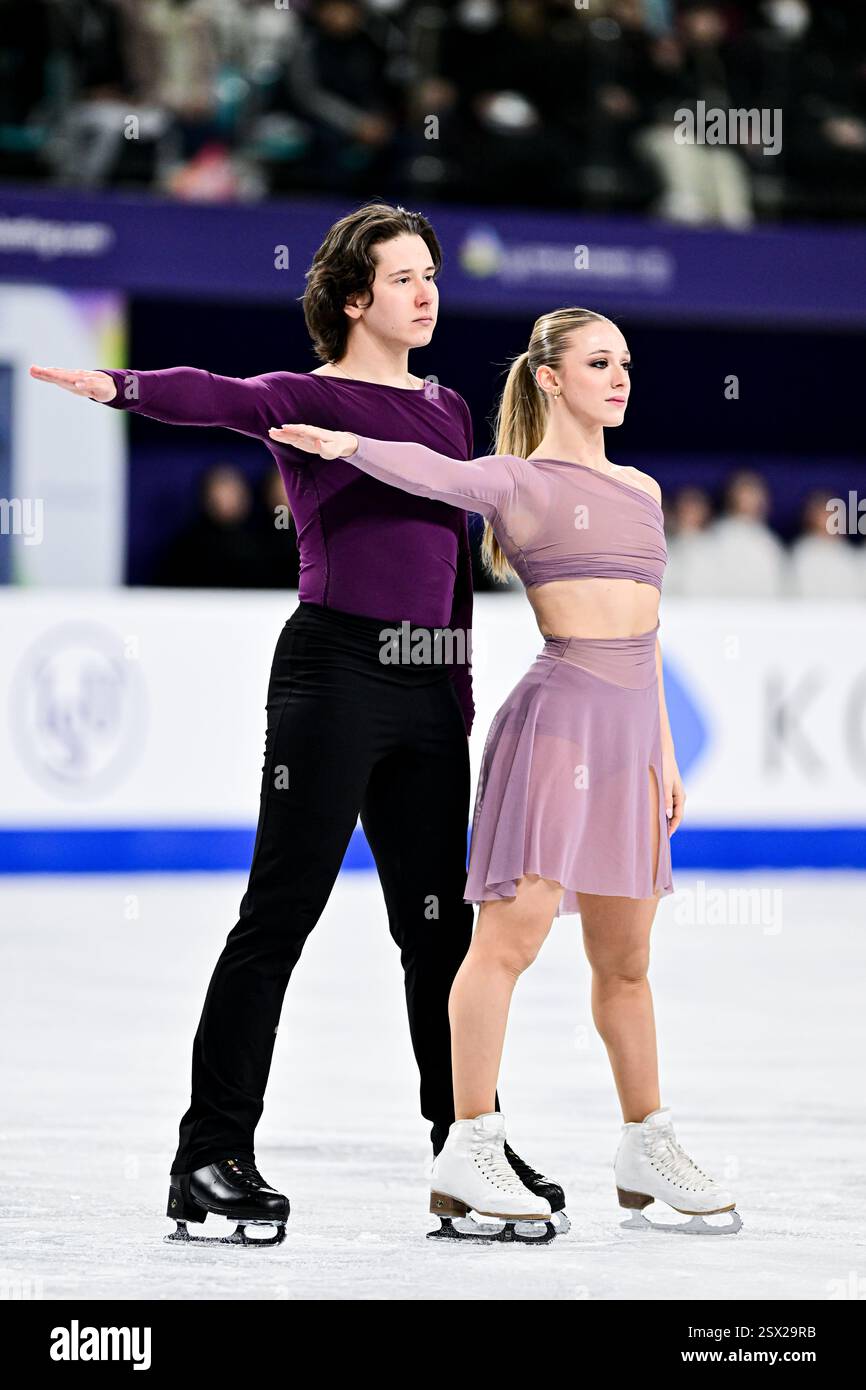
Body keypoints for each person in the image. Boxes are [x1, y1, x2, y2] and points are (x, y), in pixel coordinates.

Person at [28, 201, 564, 1247]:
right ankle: (209, 1155)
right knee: (280, 913)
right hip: (331, 672)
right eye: (403, 278)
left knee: (437, 933)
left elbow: (454, 564)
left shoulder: (452, 411)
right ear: (355, 298)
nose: (426, 293)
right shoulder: (304, 396)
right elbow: (218, 395)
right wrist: (121, 385)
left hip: (425, 686)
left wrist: (453, 689)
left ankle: (463, 1148)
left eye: (431, 275)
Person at [270, 306, 743, 1237]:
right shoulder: (518, 483)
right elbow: (433, 471)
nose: (621, 378)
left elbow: (646, 631)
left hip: (632, 744)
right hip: (558, 729)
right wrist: (348, 440)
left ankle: (646, 1143)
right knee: (508, 942)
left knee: (627, 959)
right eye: (600, 362)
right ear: (549, 377)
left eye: (627, 364)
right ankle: (470, 1141)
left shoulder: (644, 491)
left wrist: (665, 748)